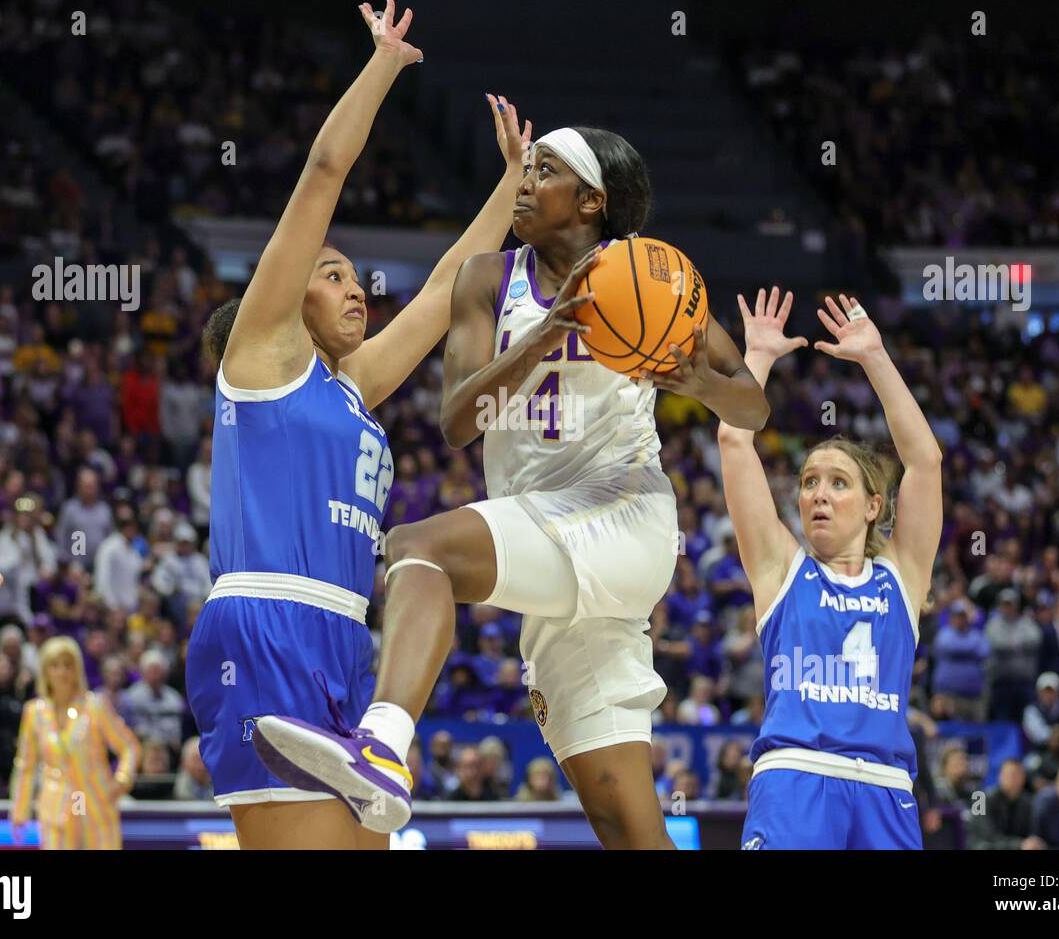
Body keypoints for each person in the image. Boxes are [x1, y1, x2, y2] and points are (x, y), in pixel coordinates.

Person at [257, 119, 769, 848]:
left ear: (592, 200)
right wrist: (544, 335)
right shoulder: (488, 279)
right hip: (548, 545)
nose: (524, 184)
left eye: (544, 171)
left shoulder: (647, 274)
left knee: (417, 548)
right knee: (627, 827)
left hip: (623, 512)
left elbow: (753, 404)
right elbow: (458, 423)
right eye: (526, 170)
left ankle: (382, 745)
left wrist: (700, 383)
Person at [184, 0, 528, 849]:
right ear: (287, 296)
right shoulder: (264, 358)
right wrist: (383, 64)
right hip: (268, 625)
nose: (355, 290)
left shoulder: (352, 387)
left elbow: (451, 286)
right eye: (332, 274)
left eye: (355, 279)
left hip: (342, 635)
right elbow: (324, 170)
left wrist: (513, 186)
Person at [720, 288, 942, 849]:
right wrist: (759, 356)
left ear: (872, 506)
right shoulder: (781, 570)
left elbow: (924, 462)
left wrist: (875, 357)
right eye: (809, 483)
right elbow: (734, 440)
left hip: (887, 788)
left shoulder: (900, 576)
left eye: (838, 483)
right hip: (795, 777)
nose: (819, 494)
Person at [9, 635, 141, 849]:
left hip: (96, 804)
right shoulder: (34, 712)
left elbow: (129, 746)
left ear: (77, 669)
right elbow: (26, 765)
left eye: (68, 665)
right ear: (45, 671)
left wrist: (122, 780)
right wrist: (19, 811)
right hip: (55, 809)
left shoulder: (95, 706)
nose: (62, 672)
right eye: (55, 665)